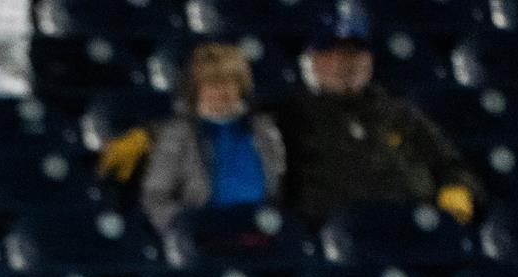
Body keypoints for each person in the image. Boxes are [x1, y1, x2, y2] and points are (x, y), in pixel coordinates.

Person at [269, 11, 480, 226]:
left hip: (411, 227)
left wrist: (457, 188)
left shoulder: (399, 113)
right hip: (337, 232)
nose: (346, 63)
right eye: (333, 53)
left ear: (369, 60)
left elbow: (451, 165)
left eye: (355, 53)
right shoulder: (289, 116)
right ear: (310, 60)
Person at [140, 43, 287, 237]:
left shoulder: (263, 128)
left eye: (229, 82)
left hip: (262, 232)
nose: (222, 92)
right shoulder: (178, 133)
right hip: (206, 237)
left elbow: (279, 186)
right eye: (213, 83)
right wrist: (186, 227)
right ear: (197, 88)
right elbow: (155, 196)